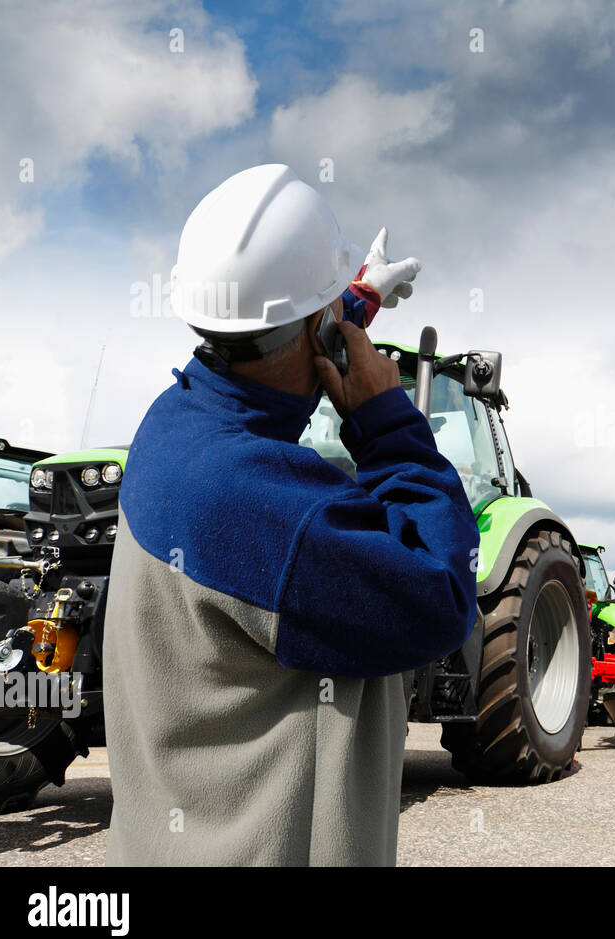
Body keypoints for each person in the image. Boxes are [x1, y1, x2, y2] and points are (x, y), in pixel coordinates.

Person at [103, 164, 478, 866]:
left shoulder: (173, 426)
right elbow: (444, 592)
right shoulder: (271, 506)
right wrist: (385, 421)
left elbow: (268, 344)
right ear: (315, 335)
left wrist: (353, 301)